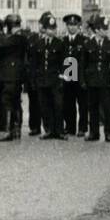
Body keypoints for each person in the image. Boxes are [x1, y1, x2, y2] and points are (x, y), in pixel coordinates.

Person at [82, 14, 110, 143]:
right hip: (91, 80)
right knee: (92, 107)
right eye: (104, 28)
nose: (106, 31)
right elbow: (83, 64)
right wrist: (83, 80)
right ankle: (94, 132)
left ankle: (109, 133)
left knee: (107, 107)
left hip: (105, 80)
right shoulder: (88, 44)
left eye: (107, 28)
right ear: (97, 29)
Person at [0, 13, 27, 142]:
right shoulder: (22, 38)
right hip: (18, 74)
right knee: (16, 101)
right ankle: (16, 129)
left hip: (10, 74)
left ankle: (8, 130)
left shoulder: (13, 39)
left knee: (7, 100)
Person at [32, 12, 67, 140]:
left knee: (58, 105)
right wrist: (34, 79)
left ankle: (60, 130)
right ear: (45, 29)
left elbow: (66, 61)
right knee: (44, 105)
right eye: (49, 29)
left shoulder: (60, 43)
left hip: (55, 79)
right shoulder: (38, 44)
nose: (52, 31)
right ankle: (48, 129)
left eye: (54, 29)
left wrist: (64, 77)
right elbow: (34, 63)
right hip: (42, 79)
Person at [62, 13, 88, 138]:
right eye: (70, 25)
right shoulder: (63, 41)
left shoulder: (84, 41)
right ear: (66, 26)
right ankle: (70, 127)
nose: (72, 28)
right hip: (67, 77)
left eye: (74, 25)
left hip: (80, 77)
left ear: (78, 26)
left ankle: (82, 128)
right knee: (68, 103)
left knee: (82, 104)